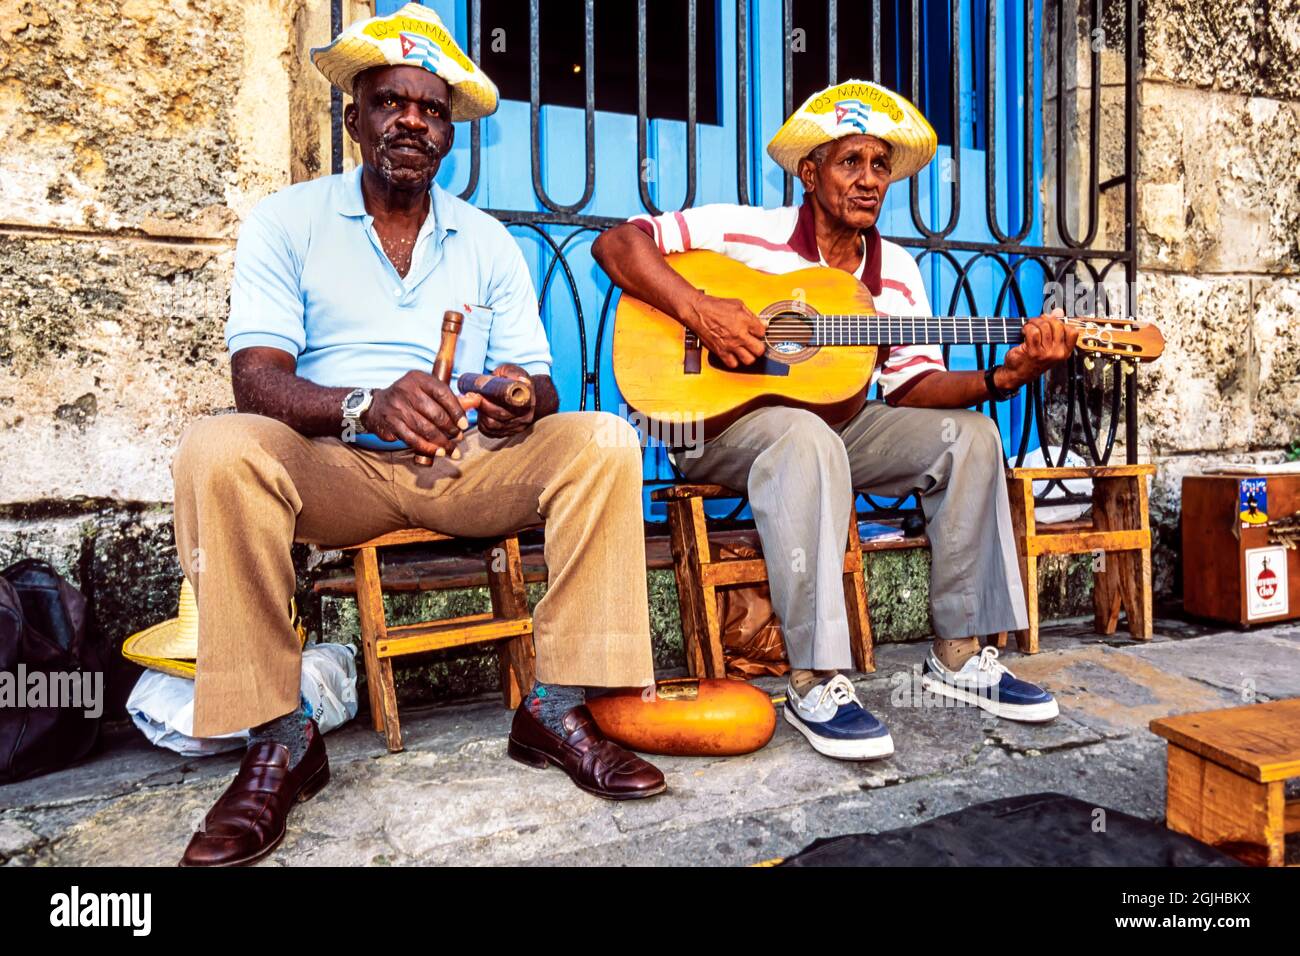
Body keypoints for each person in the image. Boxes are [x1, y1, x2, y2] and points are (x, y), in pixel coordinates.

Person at [174, 4, 665, 868]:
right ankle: (280, 736)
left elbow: (537, 378)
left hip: (466, 465)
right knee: (217, 447)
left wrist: (515, 398)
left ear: (450, 133)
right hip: (336, 467)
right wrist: (365, 405)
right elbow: (256, 380)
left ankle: (554, 709)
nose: (412, 120)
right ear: (355, 114)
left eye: (431, 109)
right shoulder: (286, 222)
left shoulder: (487, 241)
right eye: (392, 102)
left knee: (602, 440)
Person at [593, 80, 1076, 762]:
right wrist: (701, 310)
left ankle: (962, 651)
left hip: (833, 429)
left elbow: (912, 387)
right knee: (807, 436)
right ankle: (815, 678)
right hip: (710, 426)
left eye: (881, 166)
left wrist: (1006, 376)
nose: (870, 180)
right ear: (809, 171)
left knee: (971, 437)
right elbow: (618, 244)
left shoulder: (898, 272)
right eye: (851, 161)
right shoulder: (744, 232)